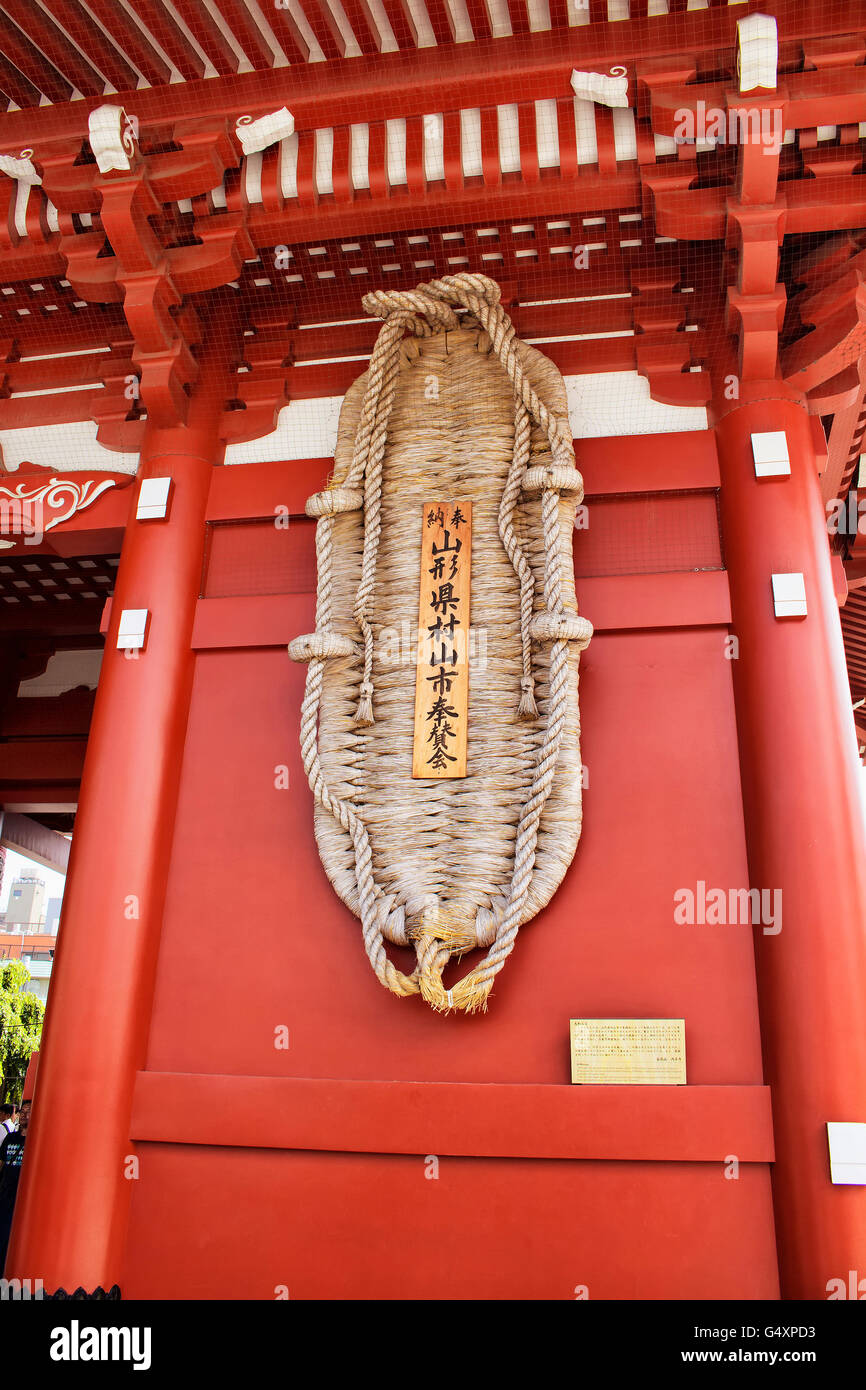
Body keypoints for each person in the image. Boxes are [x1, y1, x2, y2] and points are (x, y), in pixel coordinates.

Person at [0, 1099, 29, 1274]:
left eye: (29, 1111)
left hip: (23, 1197)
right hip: (5, 1193)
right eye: (23, 1111)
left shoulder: (37, 1139)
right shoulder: (10, 1137)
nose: (25, 1115)